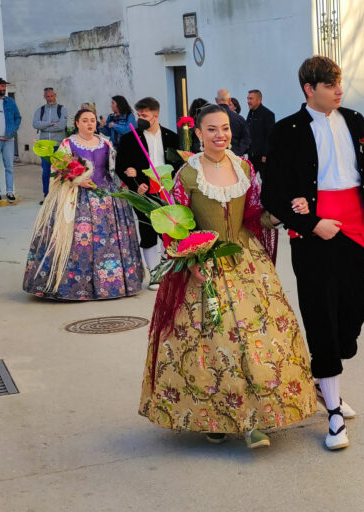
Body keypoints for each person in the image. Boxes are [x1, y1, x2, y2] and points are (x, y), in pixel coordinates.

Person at [138, 104, 317, 448]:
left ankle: (254, 420)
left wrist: (281, 215)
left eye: (225, 129)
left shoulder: (244, 167)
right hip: (203, 263)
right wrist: (190, 261)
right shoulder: (187, 175)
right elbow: (173, 226)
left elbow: (253, 215)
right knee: (214, 344)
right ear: (199, 133)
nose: (220, 136)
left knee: (258, 339)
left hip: (247, 260)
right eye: (212, 130)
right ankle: (215, 417)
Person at [263, 56, 364, 451]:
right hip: (315, 231)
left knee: (353, 313)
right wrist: (310, 224)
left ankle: (324, 378)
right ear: (310, 89)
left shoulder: (355, 120)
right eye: (330, 85)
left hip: (355, 226)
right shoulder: (286, 130)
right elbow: (273, 190)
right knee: (320, 313)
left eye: (340, 83)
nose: (339, 90)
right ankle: (334, 410)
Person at [23, 108, 143, 300]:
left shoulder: (106, 143)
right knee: (77, 242)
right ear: (77, 124)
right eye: (85, 120)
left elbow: (113, 169)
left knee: (110, 241)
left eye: (93, 120)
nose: (90, 124)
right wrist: (76, 180)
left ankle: (112, 285)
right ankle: (70, 286)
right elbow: (57, 169)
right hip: (76, 198)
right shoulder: (68, 144)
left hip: (107, 197)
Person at [115, 97, 180, 290]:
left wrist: (173, 183)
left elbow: (178, 163)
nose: (140, 118)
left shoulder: (171, 136)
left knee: (169, 231)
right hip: (143, 191)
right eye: (138, 115)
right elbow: (121, 167)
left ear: (155, 115)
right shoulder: (129, 138)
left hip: (166, 189)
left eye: (144, 115)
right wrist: (134, 183)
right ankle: (154, 273)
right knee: (148, 230)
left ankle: (167, 268)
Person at [32, 87, 67, 202]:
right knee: (46, 171)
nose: (50, 98)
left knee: (59, 171)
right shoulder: (40, 110)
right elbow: (35, 124)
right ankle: (47, 196)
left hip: (58, 144)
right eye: (48, 96)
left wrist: (45, 127)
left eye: (52, 96)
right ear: (45, 97)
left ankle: (59, 196)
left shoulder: (62, 109)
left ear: (55, 95)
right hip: (44, 146)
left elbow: (61, 126)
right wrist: (50, 123)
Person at [246, 89, 275, 178]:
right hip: (251, 156)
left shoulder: (268, 114)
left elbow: (270, 136)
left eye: (251, 99)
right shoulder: (251, 113)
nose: (248, 101)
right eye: (247, 99)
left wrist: (265, 154)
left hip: (262, 157)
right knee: (249, 181)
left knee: (266, 181)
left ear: (259, 100)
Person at [215, 88, 250, 155]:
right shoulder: (240, 119)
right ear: (229, 100)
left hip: (215, 157)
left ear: (216, 100)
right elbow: (246, 139)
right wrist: (237, 153)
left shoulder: (208, 118)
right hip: (235, 158)